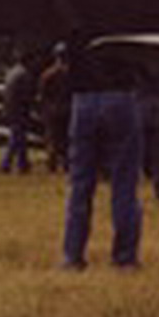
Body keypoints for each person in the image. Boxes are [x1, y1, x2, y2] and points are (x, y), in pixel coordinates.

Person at [60, 34, 143, 269]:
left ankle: (72, 255)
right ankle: (125, 257)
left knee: (79, 183)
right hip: (121, 96)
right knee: (124, 183)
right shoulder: (122, 12)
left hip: (83, 100)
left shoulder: (72, 10)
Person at [0, 56, 35, 174]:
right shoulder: (24, 75)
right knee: (15, 138)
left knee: (20, 137)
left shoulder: (11, 72)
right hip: (19, 110)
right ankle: (6, 163)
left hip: (10, 109)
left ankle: (23, 163)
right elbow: (26, 95)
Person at [36, 48, 72, 172]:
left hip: (51, 111)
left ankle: (52, 164)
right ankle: (67, 164)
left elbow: (41, 96)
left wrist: (42, 111)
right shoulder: (71, 74)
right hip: (67, 110)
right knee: (67, 139)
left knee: (52, 138)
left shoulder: (47, 74)